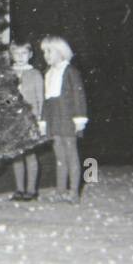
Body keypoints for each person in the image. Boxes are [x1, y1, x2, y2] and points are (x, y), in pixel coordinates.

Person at [39, 36, 88, 203]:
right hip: (53, 119)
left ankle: (73, 192)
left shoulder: (71, 72)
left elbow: (79, 97)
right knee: (59, 156)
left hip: (68, 119)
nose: (45, 55)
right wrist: (43, 121)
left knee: (71, 155)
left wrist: (80, 119)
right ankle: (60, 191)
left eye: (49, 51)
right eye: (44, 52)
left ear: (61, 52)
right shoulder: (48, 73)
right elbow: (46, 101)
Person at [9, 41, 44, 201]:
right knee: (16, 155)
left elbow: (40, 99)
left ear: (30, 55)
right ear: (12, 55)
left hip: (31, 119)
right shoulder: (8, 73)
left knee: (30, 154)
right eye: (17, 53)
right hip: (13, 120)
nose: (20, 57)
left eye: (24, 53)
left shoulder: (35, 74)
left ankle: (31, 190)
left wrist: (40, 119)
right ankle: (19, 189)